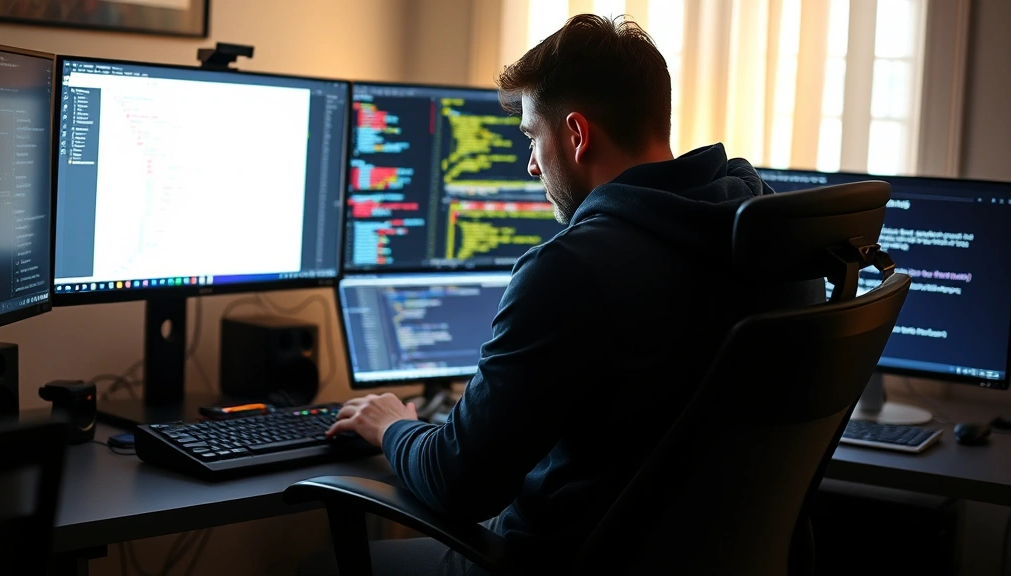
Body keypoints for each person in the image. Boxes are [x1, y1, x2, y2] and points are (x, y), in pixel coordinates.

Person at [320, 13, 821, 576]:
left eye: (533, 135)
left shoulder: (573, 267)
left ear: (577, 135)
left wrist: (392, 425)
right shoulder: (777, 236)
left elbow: (459, 484)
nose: (531, 163)